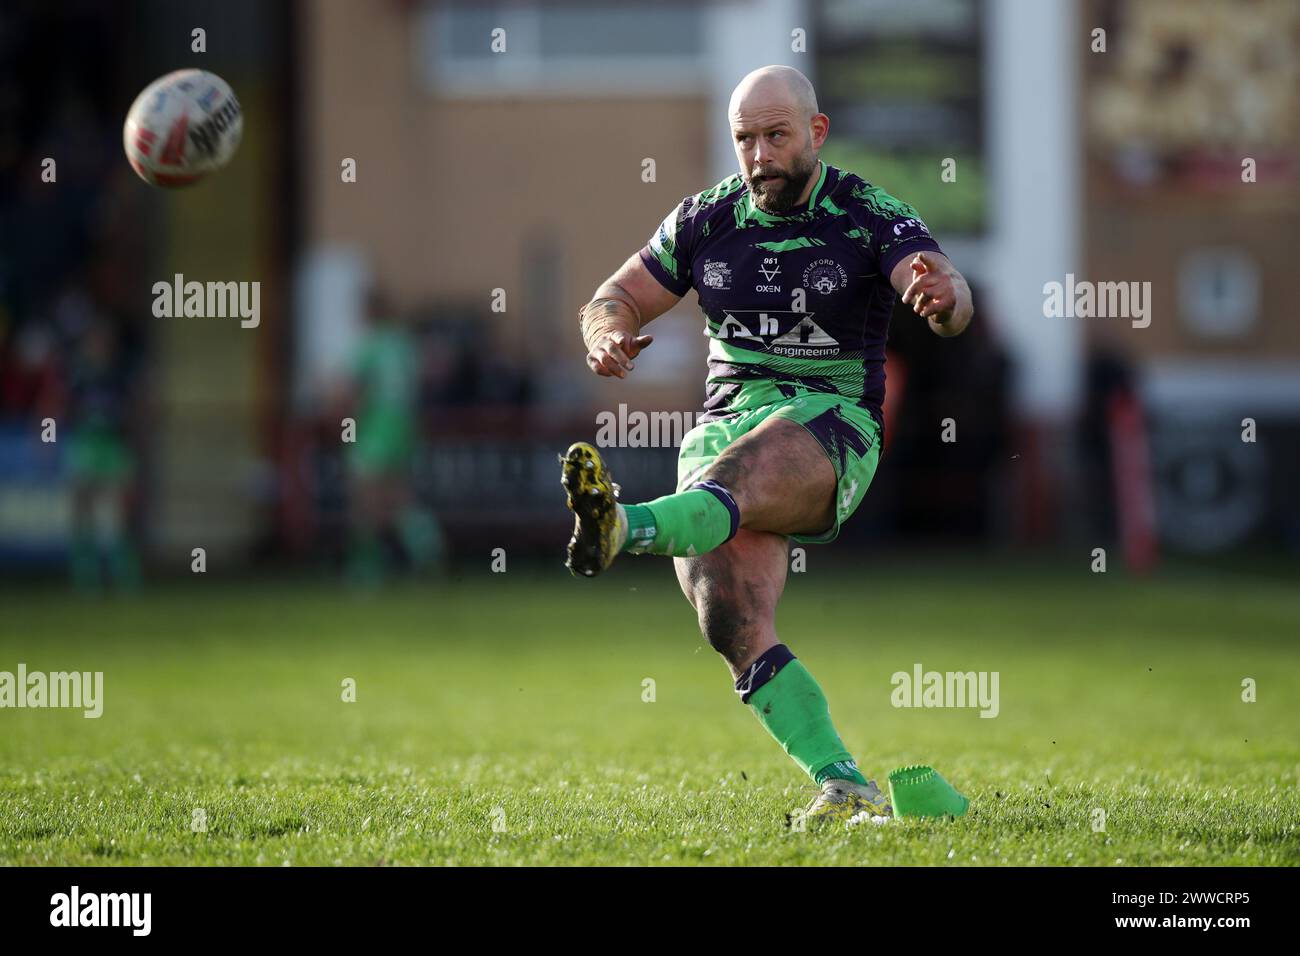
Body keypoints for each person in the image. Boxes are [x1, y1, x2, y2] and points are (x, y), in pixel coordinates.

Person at [561, 65, 973, 828]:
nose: (760, 156)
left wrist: (944, 299)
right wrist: (606, 333)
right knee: (730, 621)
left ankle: (621, 525)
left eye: (776, 136)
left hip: (830, 422)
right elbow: (612, 296)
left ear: (816, 132)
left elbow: (947, 291)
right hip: (725, 423)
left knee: (737, 477)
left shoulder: (868, 211)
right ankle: (843, 783)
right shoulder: (705, 218)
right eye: (745, 139)